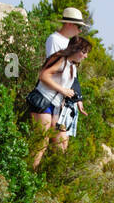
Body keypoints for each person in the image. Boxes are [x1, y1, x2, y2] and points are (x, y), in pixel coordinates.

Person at [26, 35, 91, 169]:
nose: (85, 56)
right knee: (41, 143)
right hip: (43, 101)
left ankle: (49, 176)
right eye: (84, 52)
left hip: (56, 107)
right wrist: (63, 90)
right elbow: (43, 75)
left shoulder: (72, 66)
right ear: (75, 49)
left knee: (61, 144)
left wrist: (72, 96)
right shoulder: (60, 58)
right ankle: (29, 176)